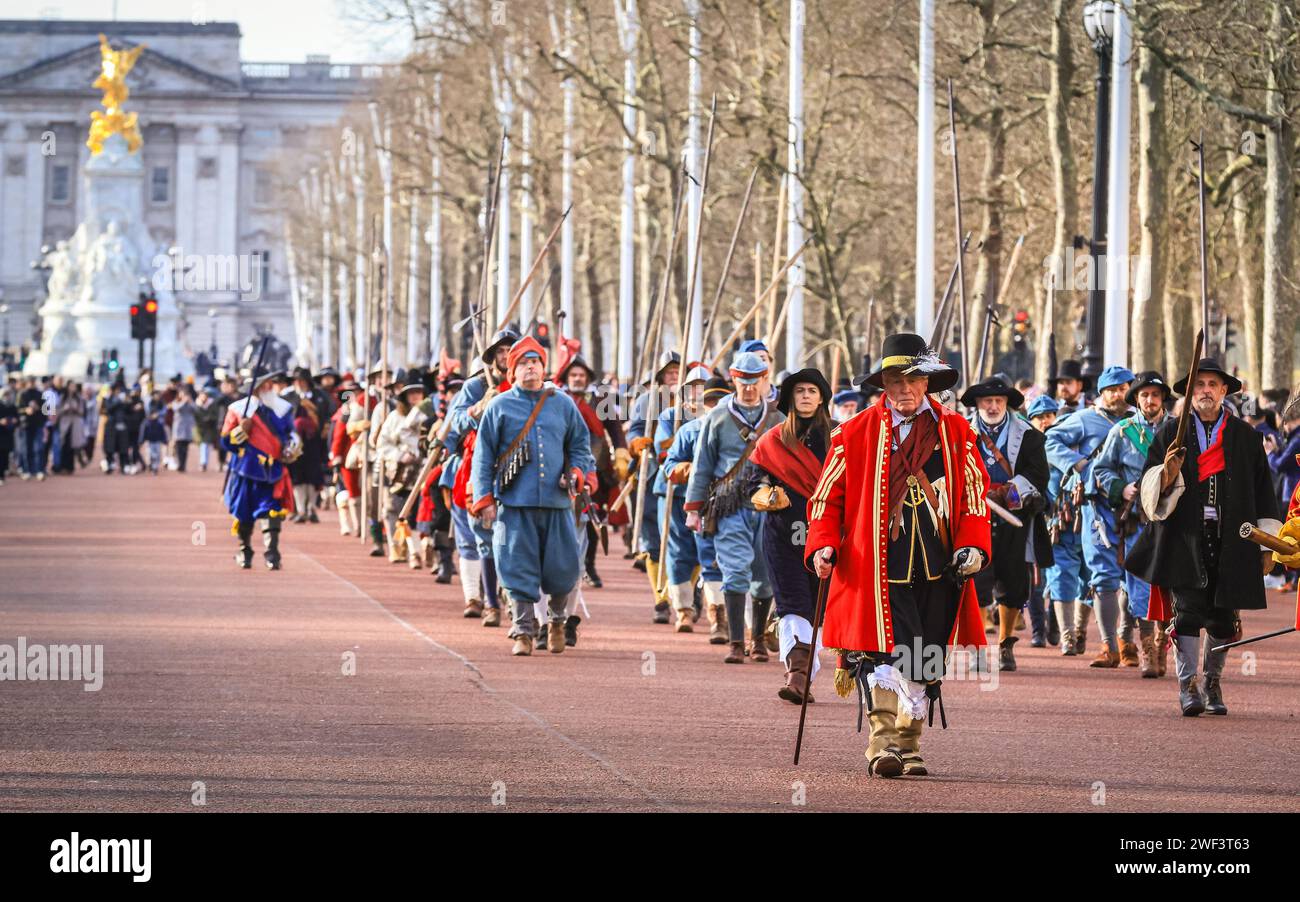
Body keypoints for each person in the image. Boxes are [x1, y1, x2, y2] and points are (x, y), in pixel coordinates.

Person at [806, 332, 990, 778]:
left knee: (924, 654)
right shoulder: (854, 432)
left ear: (928, 382)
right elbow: (825, 498)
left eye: (913, 378)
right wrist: (823, 543)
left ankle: (910, 744)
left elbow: (973, 495)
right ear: (883, 384)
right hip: (874, 563)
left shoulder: (955, 430)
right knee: (880, 651)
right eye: (895, 379)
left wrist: (973, 546)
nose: (905, 388)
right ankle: (882, 744)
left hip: (937, 562)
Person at [1126, 359, 1280, 716]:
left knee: (1223, 616)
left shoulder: (1245, 437)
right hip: (1185, 536)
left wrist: (1267, 545)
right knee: (1188, 614)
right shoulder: (1170, 435)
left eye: (1212, 384)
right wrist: (1167, 473)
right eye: (1199, 385)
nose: (1206, 391)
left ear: (1224, 391)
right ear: (1190, 393)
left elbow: (1264, 492)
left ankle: (1212, 682)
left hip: (1234, 538)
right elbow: (1150, 491)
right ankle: (1188, 685)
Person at [470, 336, 597, 656]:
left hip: (557, 504)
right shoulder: (498, 407)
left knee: (564, 567)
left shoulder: (563, 403)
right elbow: (483, 458)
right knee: (516, 568)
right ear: (512, 371)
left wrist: (578, 473)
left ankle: (556, 622)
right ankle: (523, 630)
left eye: (536, 362)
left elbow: (581, 447)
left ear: (544, 368)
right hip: (515, 504)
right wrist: (484, 499)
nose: (530, 368)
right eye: (523, 363)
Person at [684, 351, 784, 663]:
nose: (750, 388)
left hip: (768, 507)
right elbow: (702, 465)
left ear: (765, 380)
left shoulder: (779, 419)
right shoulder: (717, 418)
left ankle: (758, 641)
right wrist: (692, 508)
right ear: (733, 379)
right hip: (728, 507)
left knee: (764, 574)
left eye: (755, 382)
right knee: (735, 570)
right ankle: (736, 643)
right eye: (743, 382)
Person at [745, 367, 832, 703]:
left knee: (818, 606)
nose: (806, 396)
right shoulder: (772, 441)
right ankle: (797, 676)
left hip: (825, 535)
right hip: (782, 534)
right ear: (791, 398)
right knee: (792, 603)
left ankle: (809, 671)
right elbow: (756, 481)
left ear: (822, 396)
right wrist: (765, 493)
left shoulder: (839, 439)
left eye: (812, 390)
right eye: (800, 391)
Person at [1044, 365, 1135, 664]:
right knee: (1101, 574)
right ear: (1101, 393)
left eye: (1123, 389)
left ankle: (1128, 640)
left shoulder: (1138, 423)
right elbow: (1050, 441)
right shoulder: (1084, 419)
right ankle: (1106, 643)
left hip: (1134, 507)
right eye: (1112, 390)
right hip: (1094, 507)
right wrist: (1078, 463)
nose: (1118, 395)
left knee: (1134, 573)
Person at [962, 376, 1051, 673]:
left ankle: (1005, 645)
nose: (992, 406)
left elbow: (1038, 474)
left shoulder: (1029, 435)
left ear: (1007, 404)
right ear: (977, 404)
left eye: (998, 401)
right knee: (975, 578)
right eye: (987, 401)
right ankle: (976, 648)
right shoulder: (961, 434)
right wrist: (977, 492)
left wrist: (1007, 492)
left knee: (1014, 581)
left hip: (1015, 516)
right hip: (975, 512)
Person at [1092, 371, 1173, 677]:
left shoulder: (1179, 430)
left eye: (1154, 394)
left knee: (1171, 581)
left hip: (1173, 518)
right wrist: (1120, 488)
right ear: (1137, 400)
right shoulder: (1123, 431)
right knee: (1140, 584)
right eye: (1144, 395)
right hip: (1137, 520)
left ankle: (1166, 641)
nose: (1149, 400)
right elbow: (1102, 469)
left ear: (1162, 398)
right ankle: (1148, 650)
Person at [442, 329, 518, 624]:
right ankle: (487, 602)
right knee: (481, 537)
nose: (506, 355)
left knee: (516, 539)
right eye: (501, 351)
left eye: (511, 350)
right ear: (493, 357)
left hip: (516, 468)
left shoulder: (527, 386)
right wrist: (477, 409)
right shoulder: (475, 386)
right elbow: (454, 425)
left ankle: (513, 600)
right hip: (478, 468)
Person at [220, 370, 302, 570]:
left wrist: (291, 449)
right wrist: (241, 431)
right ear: (255, 388)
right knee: (243, 513)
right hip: (245, 469)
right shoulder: (238, 410)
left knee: (272, 512)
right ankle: (244, 550)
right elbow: (226, 442)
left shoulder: (282, 409)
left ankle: (272, 553)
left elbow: (292, 435)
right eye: (264, 384)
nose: (268, 387)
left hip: (272, 468)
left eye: (269, 384)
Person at [651, 364, 712, 632]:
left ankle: (716, 611)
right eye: (693, 389)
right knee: (677, 552)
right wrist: (682, 450)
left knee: (710, 551)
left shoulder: (721, 418)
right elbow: (663, 455)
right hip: (675, 493)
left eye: (704, 389)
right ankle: (683, 609)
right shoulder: (670, 416)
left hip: (712, 495)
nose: (698, 395)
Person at [627, 350, 681, 621]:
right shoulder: (647, 400)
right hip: (651, 475)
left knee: (681, 539)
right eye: (669, 373)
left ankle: (682, 593)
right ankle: (661, 598)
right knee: (652, 538)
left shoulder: (690, 402)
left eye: (677, 372)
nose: (673, 377)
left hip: (682, 477)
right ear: (660, 376)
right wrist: (639, 443)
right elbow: (635, 429)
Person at [374, 377, 428, 565]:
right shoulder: (394, 417)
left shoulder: (432, 414)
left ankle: (425, 550)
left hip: (426, 470)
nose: (415, 396)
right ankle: (409, 550)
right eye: (411, 393)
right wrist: (399, 455)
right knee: (401, 510)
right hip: (402, 474)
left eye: (418, 392)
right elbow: (382, 443)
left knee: (426, 511)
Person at [1024, 393, 1061, 646]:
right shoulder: (1028, 447)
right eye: (1039, 417)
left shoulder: (1067, 441)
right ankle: (1038, 629)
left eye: (1049, 416)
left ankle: (1056, 623)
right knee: (1036, 581)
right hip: (1038, 520)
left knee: (1059, 578)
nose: (1045, 421)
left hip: (1064, 522)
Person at [170, 387, 197, 473]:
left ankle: (183, 465)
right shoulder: (176, 402)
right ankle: (180, 464)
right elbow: (176, 408)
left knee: (185, 448)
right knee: (178, 447)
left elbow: (196, 410)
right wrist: (183, 402)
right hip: (179, 428)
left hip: (187, 428)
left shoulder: (190, 403)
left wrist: (190, 401)